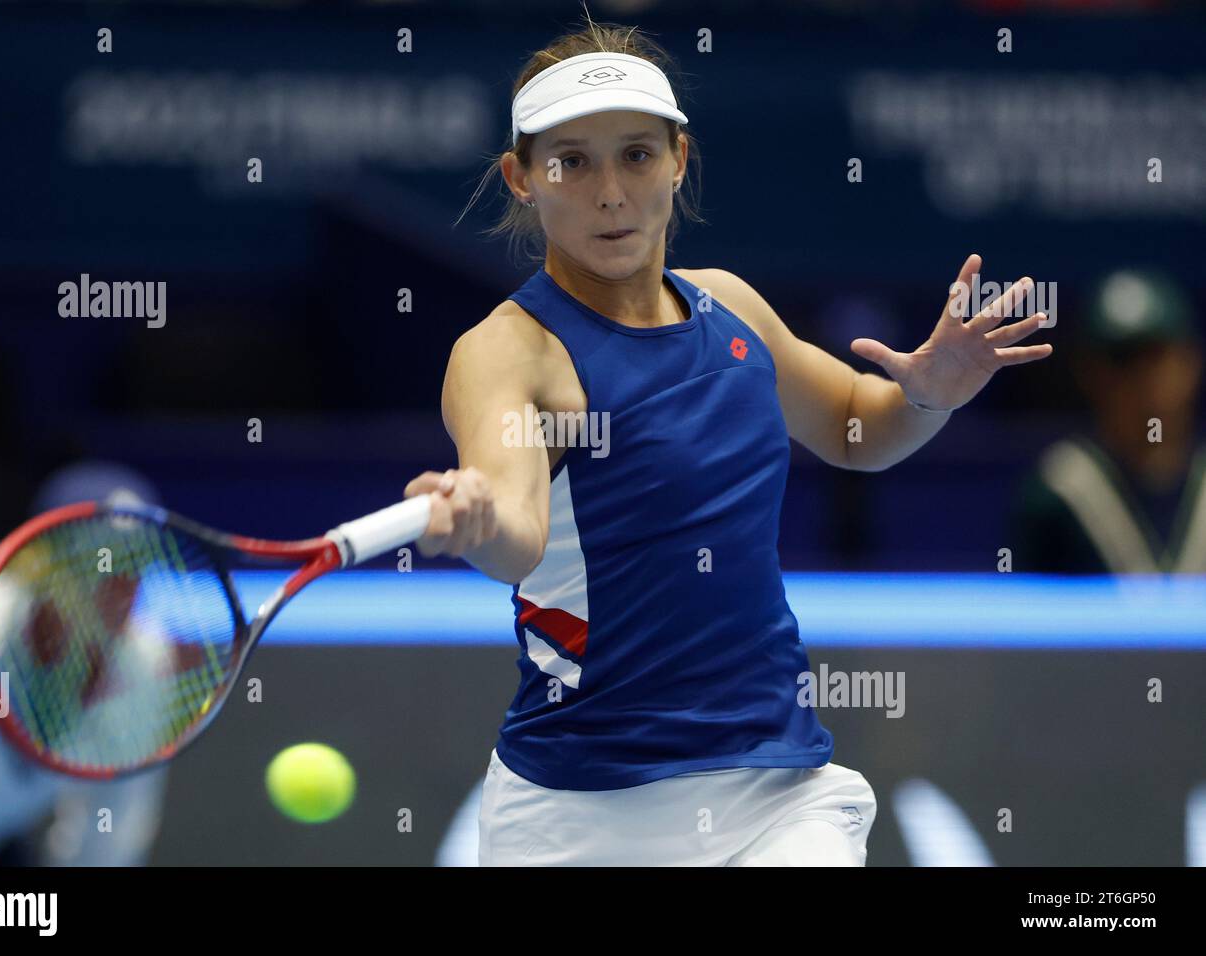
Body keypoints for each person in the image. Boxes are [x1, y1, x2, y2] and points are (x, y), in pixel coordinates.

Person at [411, 18, 1051, 866]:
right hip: (576, 812)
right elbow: (518, 532)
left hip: (777, 794)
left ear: (679, 158)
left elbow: (858, 428)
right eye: (571, 161)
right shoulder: (506, 352)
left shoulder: (732, 310)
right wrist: (475, 520)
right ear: (521, 177)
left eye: (636, 155)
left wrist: (926, 397)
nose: (610, 192)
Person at [0, 462, 168, 866]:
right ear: (36, 567)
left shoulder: (145, 665)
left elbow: (108, 841)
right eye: (96, 563)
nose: (120, 588)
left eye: (135, 565)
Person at [1010, 269, 1205, 573]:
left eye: (1155, 357)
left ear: (1190, 362)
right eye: (1123, 361)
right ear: (1091, 373)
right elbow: (1030, 613)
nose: (1142, 380)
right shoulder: (1056, 493)